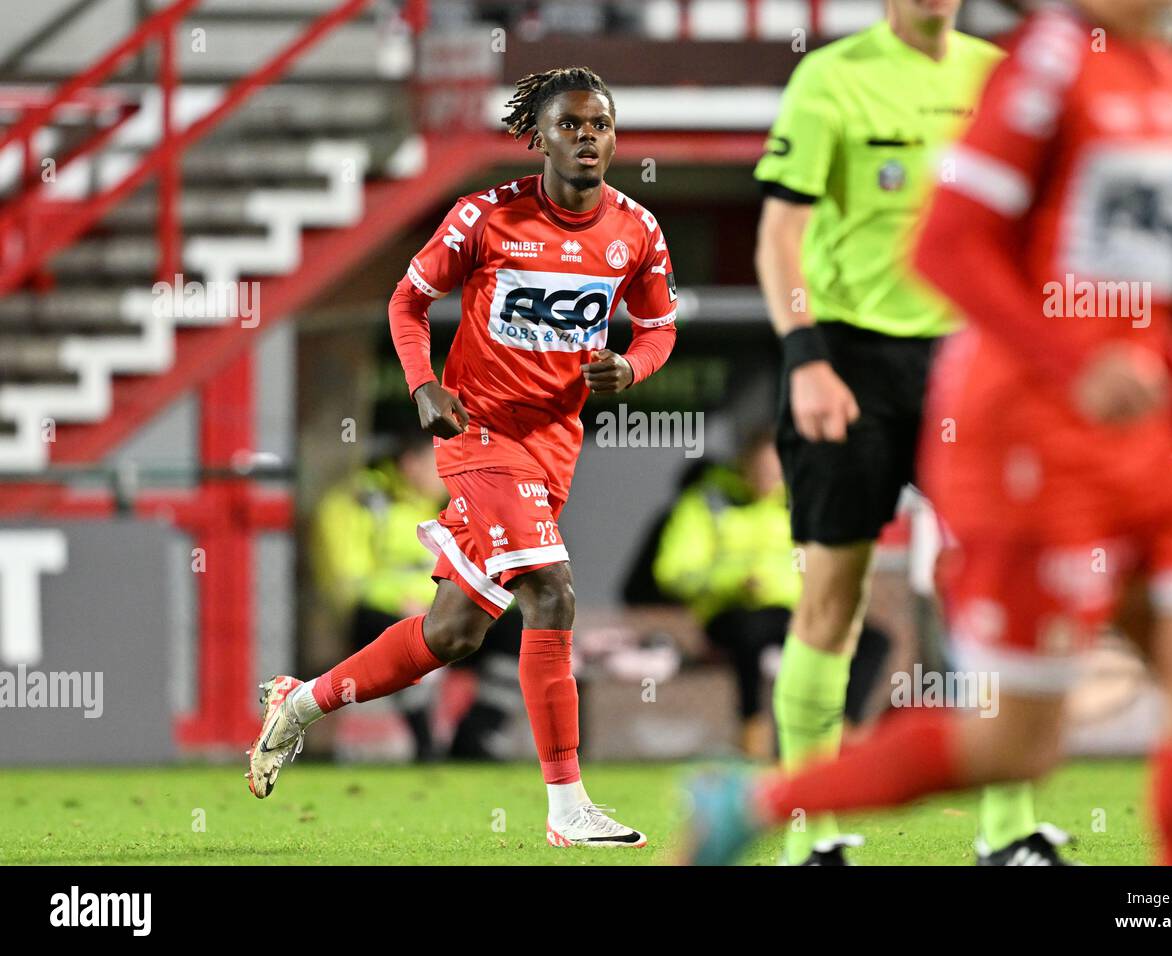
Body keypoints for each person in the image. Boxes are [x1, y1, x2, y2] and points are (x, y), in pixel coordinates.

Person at [684, 0, 1172, 866]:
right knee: (841, 611)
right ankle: (791, 825)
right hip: (904, 375)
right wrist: (806, 357)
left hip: (1047, 389)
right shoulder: (1017, 69)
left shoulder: (1156, 76)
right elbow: (881, 240)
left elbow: (1120, 287)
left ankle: (1032, 847)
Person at [248, 66, 678, 848]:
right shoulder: (486, 215)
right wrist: (421, 387)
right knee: (552, 593)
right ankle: (568, 806)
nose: (589, 137)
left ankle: (300, 702)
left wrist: (633, 367)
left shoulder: (636, 232)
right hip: (478, 437)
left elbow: (658, 329)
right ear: (539, 136)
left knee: (451, 635)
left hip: (555, 445)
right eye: (572, 124)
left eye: (602, 125)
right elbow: (408, 301)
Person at [754, 0, 1056, 865]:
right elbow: (781, 237)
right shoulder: (831, 77)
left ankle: (1008, 834)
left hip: (974, 364)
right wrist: (806, 357)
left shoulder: (998, 79)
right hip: (849, 364)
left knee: (1001, 593)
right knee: (831, 598)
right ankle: (811, 839)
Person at [652, 431, 799, 757]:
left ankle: (844, 732)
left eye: (775, 471)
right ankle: (753, 733)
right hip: (727, 613)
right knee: (751, 635)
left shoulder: (797, 505)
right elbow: (672, 572)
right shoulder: (707, 503)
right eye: (761, 470)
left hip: (789, 614)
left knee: (868, 639)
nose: (768, 479)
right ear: (743, 466)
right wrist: (735, 581)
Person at [311, 432, 448, 760]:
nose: (449, 473)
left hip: (437, 612)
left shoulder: (451, 505)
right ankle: (425, 742)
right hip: (379, 611)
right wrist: (403, 600)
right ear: (410, 464)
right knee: (409, 640)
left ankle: (477, 735)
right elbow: (351, 578)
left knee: (510, 630)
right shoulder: (365, 500)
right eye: (441, 464)